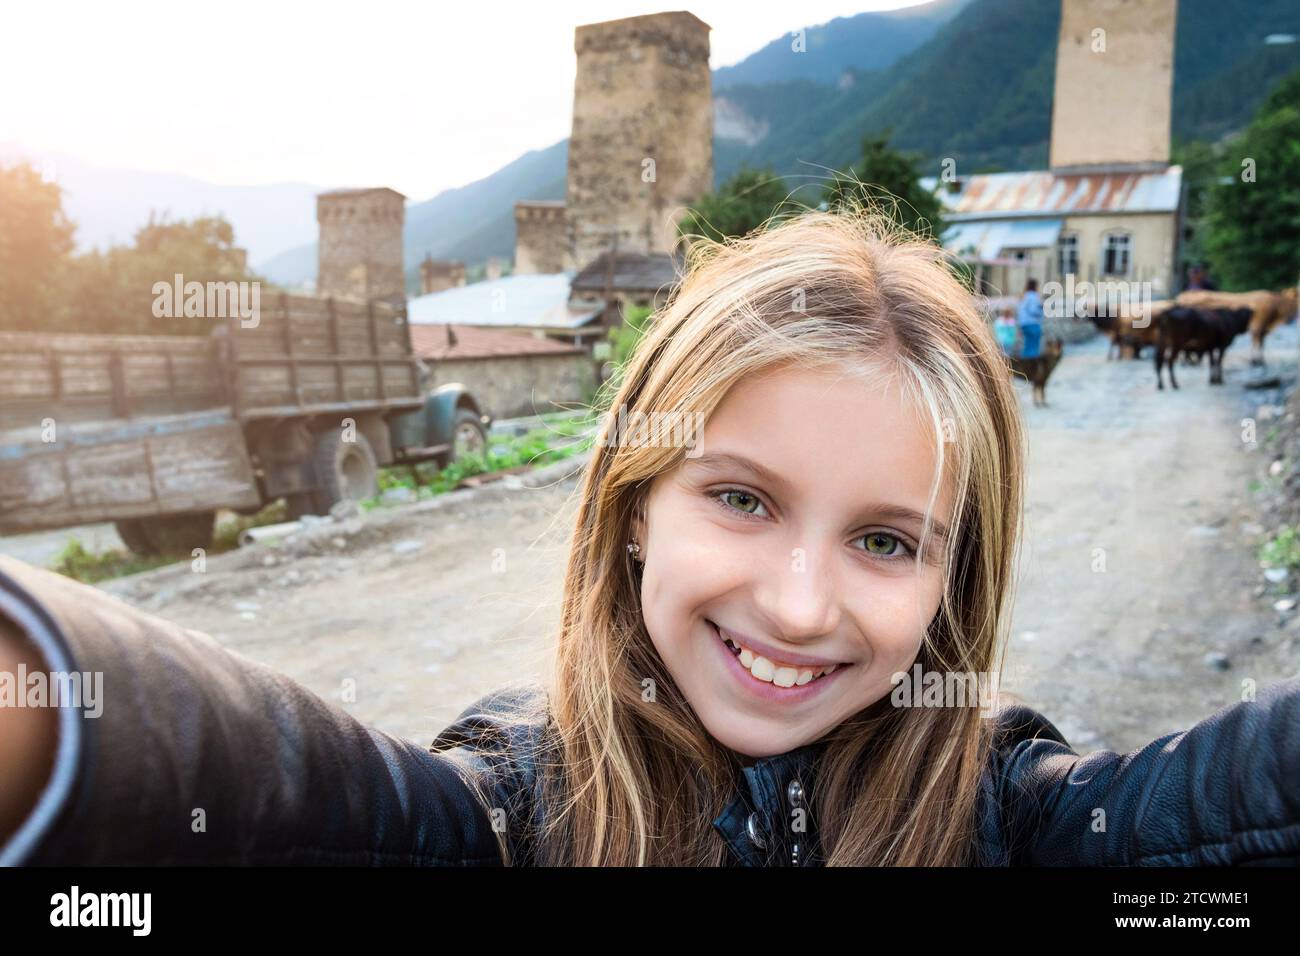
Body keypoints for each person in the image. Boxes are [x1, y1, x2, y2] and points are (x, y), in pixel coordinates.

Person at [2, 210, 1299, 867]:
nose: (798, 608)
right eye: (741, 497)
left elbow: (1205, 825)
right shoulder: (521, 811)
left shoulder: (1013, 819)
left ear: (956, 578)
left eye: (889, 542)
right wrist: (54, 709)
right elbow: (318, 805)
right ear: (631, 512)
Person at [1016, 278, 1044, 360]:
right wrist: (1041, 311)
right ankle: (1032, 364)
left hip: (1024, 323)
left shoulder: (1024, 295)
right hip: (1032, 322)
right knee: (1033, 345)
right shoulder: (1033, 296)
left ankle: (1025, 363)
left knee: (1027, 344)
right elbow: (1033, 310)